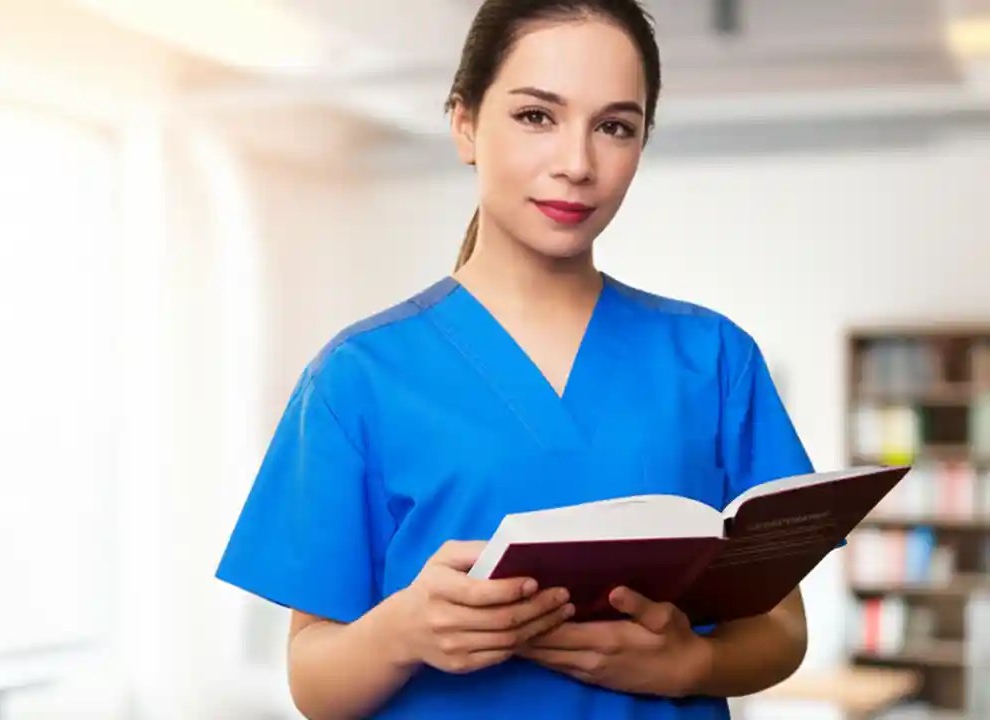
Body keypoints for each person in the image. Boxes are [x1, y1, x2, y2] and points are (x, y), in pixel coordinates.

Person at [215, 1, 813, 717]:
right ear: (465, 123)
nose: (576, 164)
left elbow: (782, 629)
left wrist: (691, 665)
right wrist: (403, 632)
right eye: (537, 116)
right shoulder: (357, 380)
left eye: (615, 127)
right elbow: (314, 682)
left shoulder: (715, 362)